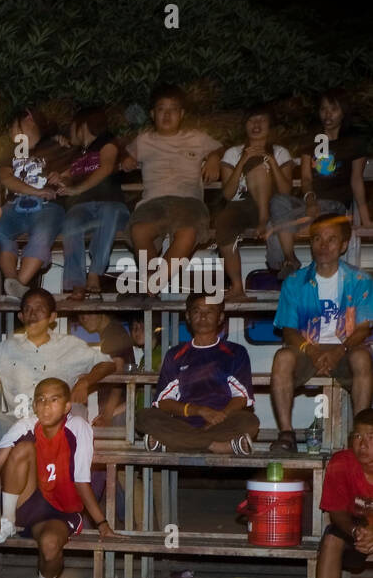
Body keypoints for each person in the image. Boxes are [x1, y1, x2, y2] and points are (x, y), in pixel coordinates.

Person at [0, 377, 111, 578]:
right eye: (40, 400)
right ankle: (9, 520)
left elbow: (81, 481)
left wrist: (101, 523)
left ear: (67, 406)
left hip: (61, 510)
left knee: (50, 546)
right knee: (22, 449)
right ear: (34, 405)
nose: (46, 406)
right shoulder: (26, 425)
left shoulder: (78, 427)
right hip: (29, 500)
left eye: (54, 400)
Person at [268, 214, 373, 452]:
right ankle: (287, 435)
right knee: (282, 358)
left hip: (346, 348)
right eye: (317, 239)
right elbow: (289, 330)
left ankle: (360, 434)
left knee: (362, 357)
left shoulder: (360, 280)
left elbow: (362, 328)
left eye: (331, 239)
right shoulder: (295, 281)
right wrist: (312, 351)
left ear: (343, 245)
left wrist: (339, 351)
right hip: (307, 348)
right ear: (311, 243)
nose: (323, 246)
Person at [0, 288, 118, 445]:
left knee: (76, 418)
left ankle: (20, 444)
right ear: (21, 316)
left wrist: (84, 382)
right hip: (17, 423)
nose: (33, 314)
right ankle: (28, 443)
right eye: (28, 309)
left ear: (52, 317)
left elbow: (107, 363)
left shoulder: (70, 345)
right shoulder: (6, 348)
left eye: (40, 309)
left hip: (55, 425)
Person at [120, 85, 223, 295]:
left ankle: (154, 284)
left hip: (188, 200)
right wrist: (128, 161)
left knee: (188, 232)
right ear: (152, 114)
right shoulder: (144, 139)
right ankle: (152, 280)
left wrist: (213, 158)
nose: (167, 115)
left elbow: (219, 148)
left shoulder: (196, 137)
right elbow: (124, 158)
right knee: (139, 230)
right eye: (161, 109)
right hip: (153, 202)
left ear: (181, 114)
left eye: (173, 109)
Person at [135, 293, 259, 453]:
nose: (203, 316)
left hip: (221, 421)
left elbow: (241, 397)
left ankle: (173, 444)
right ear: (188, 316)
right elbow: (163, 401)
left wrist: (217, 417)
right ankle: (216, 446)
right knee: (144, 417)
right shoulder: (175, 354)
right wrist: (198, 410)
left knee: (249, 421)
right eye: (197, 311)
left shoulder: (235, 352)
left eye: (210, 311)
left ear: (220, 317)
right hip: (183, 422)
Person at [272, 91, 371, 278]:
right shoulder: (312, 138)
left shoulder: (353, 141)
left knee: (275, 224)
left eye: (333, 109)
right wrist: (310, 200)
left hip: (334, 206)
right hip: (307, 204)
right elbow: (306, 178)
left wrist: (365, 219)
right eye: (323, 109)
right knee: (278, 201)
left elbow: (356, 180)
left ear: (343, 112)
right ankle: (290, 259)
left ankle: (280, 260)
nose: (327, 114)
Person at [0, 107, 73, 298]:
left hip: (48, 206)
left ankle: (17, 288)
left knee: (42, 232)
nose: (10, 133)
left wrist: (61, 177)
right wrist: (36, 191)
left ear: (29, 120)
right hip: (15, 205)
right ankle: (14, 283)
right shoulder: (10, 151)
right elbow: (6, 177)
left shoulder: (57, 145)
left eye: (13, 127)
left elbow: (73, 174)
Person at [216, 105, 295, 301]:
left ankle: (263, 219)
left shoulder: (280, 152)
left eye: (262, 120)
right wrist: (243, 161)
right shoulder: (233, 153)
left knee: (259, 168)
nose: (256, 124)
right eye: (252, 120)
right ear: (245, 125)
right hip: (241, 205)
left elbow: (286, 191)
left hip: (273, 204)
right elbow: (227, 194)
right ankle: (237, 287)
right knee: (223, 223)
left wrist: (271, 161)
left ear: (270, 126)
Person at [310, 408, 373, 578]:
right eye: (357, 436)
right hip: (355, 528)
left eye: (371, 437)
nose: (363, 444)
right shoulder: (342, 462)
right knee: (331, 538)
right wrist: (357, 532)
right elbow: (336, 512)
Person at [54, 107, 129, 300]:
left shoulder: (107, 142)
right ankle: (76, 283)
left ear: (81, 126)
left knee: (109, 212)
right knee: (70, 222)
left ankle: (95, 272)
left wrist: (77, 189)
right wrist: (59, 179)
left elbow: (106, 168)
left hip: (112, 204)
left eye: (72, 127)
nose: (69, 132)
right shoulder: (75, 153)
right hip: (83, 208)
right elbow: (65, 176)